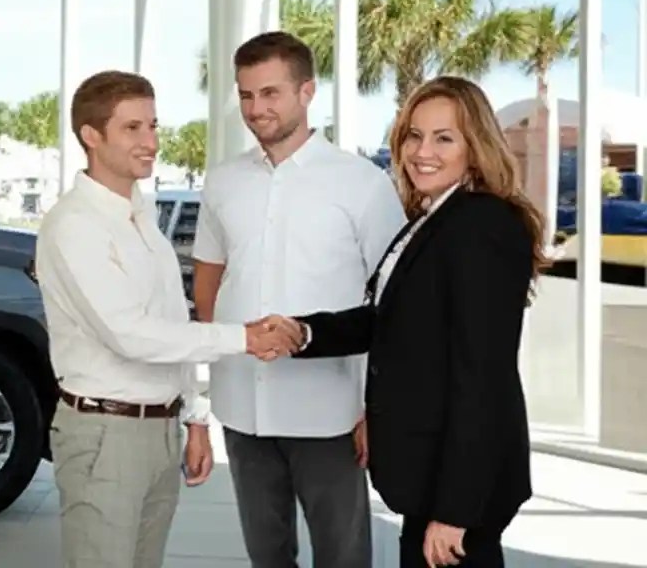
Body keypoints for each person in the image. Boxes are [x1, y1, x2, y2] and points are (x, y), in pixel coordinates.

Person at [259, 75, 545, 567]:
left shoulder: (481, 225)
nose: (421, 151)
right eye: (414, 135)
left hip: (457, 490)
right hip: (433, 475)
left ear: (475, 147)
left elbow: (483, 377)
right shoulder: (437, 217)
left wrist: (455, 511)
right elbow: (392, 323)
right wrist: (304, 332)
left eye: (444, 138)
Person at [35, 69, 304, 568]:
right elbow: (130, 335)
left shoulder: (140, 216)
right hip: (104, 432)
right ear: (91, 137)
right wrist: (243, 339)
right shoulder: (73, 226)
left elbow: (171, 328)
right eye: (132, 128)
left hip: (158, 431)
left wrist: (193, 416)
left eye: (153, 126)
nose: (151, 141)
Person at [191, 31, 407, 568]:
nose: (256, 108)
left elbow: (394, 306)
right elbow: (209, 279)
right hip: (243, 406)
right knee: (267, 555)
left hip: (330, 410)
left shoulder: (363, 183)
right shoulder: (222, 182)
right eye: (245, 95)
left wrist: (373, 408)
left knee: (343, 556)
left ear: (307, 92)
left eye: (270, 93)